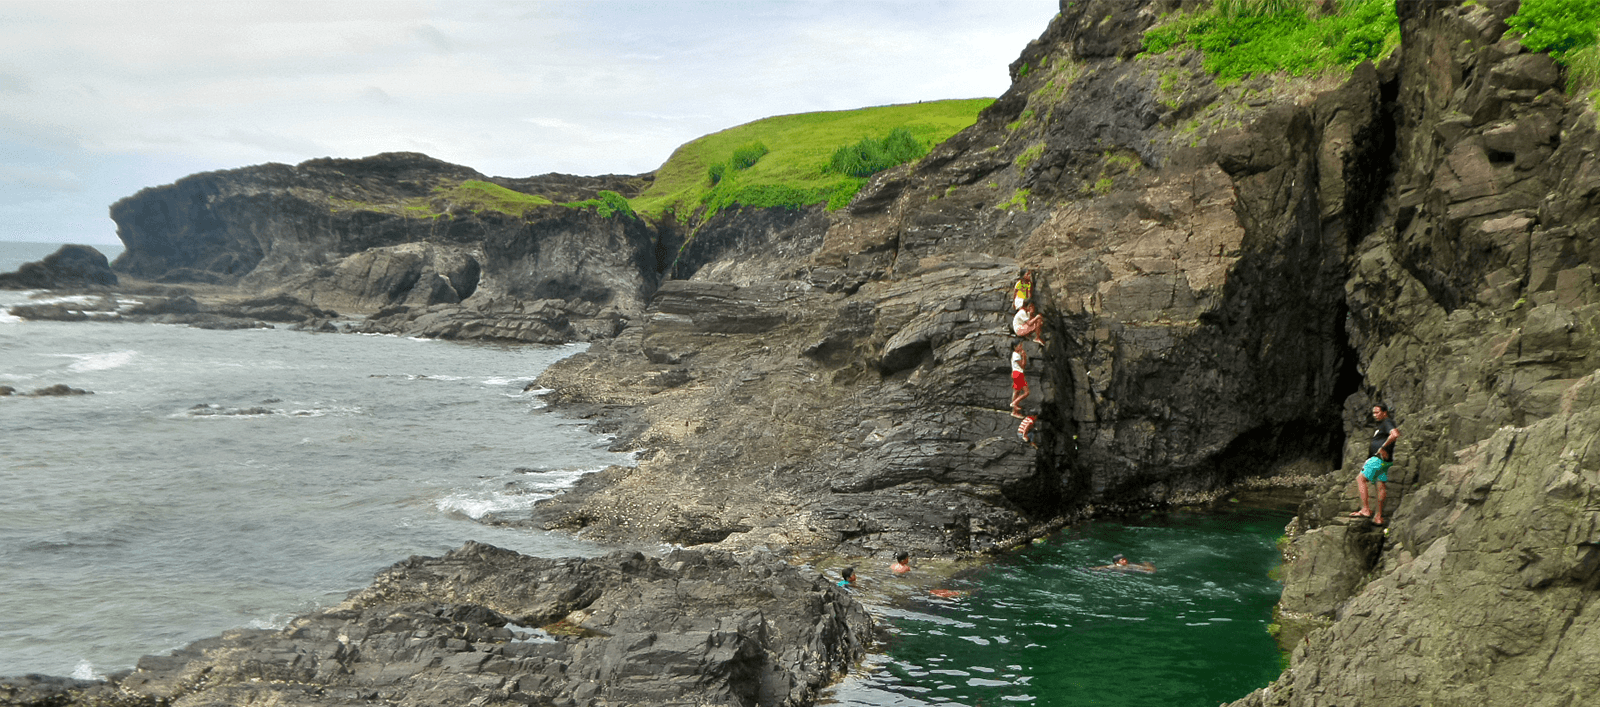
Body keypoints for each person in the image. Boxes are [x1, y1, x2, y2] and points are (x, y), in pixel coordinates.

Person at [1352, 403, 1400, 525]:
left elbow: (1395, 434)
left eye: (1377, 412)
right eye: (1373, 413)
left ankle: (1365, 509)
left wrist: (1382, 447)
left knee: (1360, 479)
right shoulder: (1382, 424)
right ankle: (1378, 517)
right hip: (1385, 461)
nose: (1375, 415)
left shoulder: (1386, 422)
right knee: (1380, 485)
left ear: (1385, 412)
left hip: (1378, 458)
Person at [1010, 343, 1030, 417]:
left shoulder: (1015, 354)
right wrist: (1024, 357)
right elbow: (1023, 365)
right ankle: (1014, 403)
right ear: (1015, 347)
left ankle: (1014, 412)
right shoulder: (1016, 355)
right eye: (1019, 345)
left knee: (1017, 392)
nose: (1021, 347)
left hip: (1016, 374)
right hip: (1018, 374)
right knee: (1026, 392)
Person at [1090, 554, 1156, 573]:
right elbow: (1104, 567)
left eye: (1125, 559)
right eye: (1122, 560)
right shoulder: (1113, 566)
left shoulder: (1129, 564)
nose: (1125, 561)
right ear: (1117, 562)